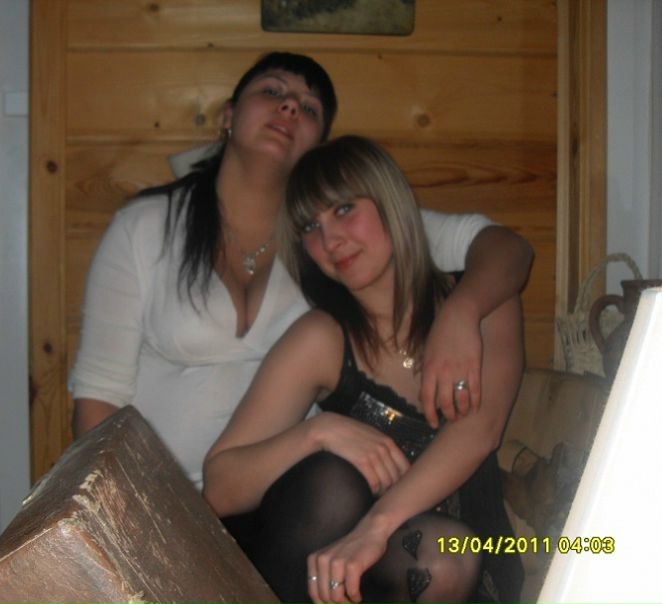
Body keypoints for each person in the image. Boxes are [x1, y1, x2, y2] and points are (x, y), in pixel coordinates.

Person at [69, 52, 533, 490]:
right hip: (153, 495)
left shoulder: (332, 235)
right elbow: (97, 399)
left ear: (317, 144)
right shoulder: (145, 227)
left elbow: (506, 249)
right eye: (272, 92)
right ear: (229, 115)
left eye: (309, 109)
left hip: (282, 494)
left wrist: (461, 313)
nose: (290, 106)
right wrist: (127, 510)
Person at [203, 136, 524, 604]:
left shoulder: (481, 302)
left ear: (388, 201)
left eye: (344, 209)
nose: (330, 240)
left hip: (468, 553)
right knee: (330, 480)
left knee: (442, 559)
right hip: (348, 573)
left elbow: (481, 430)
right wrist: (319, 432)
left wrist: (460, 314)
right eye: (310, 226)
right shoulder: (321, 338)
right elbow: (219, 486)